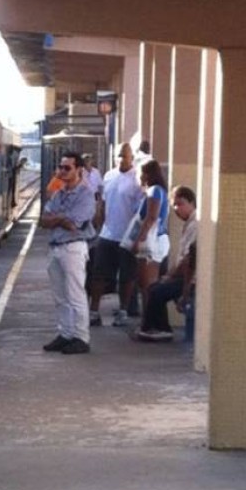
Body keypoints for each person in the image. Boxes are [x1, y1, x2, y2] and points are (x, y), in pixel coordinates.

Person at [40, 152, 96, 355]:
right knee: (59, 295)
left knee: (75, 294)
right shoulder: (59, 193)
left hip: (73, 247)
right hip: (56, 246)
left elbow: (74, 224)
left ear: (78, 169)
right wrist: (60, 219)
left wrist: (57, 219)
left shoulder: (86, 195)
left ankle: (82, 337)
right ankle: (66, 333)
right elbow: (44, 220)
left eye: (67, 168)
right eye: (61, 167)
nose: (62, 171)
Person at [90, 143, 144, 327]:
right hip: (107, 233)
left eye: (125, 155)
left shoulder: (136, 179)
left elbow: (140, 211)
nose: (121, 159)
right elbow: (103, 201)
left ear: (131, 158)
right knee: (98, 274)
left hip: (126, 236)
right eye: (119, 155)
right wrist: (99, 216)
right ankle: (94, 311)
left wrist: (137, 237)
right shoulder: (109, 175)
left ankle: (123, 311)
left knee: (126, 277)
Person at [138, 186, 197, 341]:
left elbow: (188, 260)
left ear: (192, 202)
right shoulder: (189, 223)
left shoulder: (196, 224)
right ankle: (157, 327)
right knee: (154, 288)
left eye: (181, 204)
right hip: (183, 276)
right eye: (174, 205)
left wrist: (170, 276)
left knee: (157, 292)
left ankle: (154, 328)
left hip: (192, 279)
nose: (177, 209)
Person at [129, 159, 172, 328]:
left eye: (141, 173)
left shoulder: (154, 191)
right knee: (146, 285)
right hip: (156, 239)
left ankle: (150, 323)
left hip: (151, 242)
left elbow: (151, 217)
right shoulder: (157, 191)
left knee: (148, 286)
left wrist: (139, 239)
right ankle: (149, 321)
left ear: (147, 174)